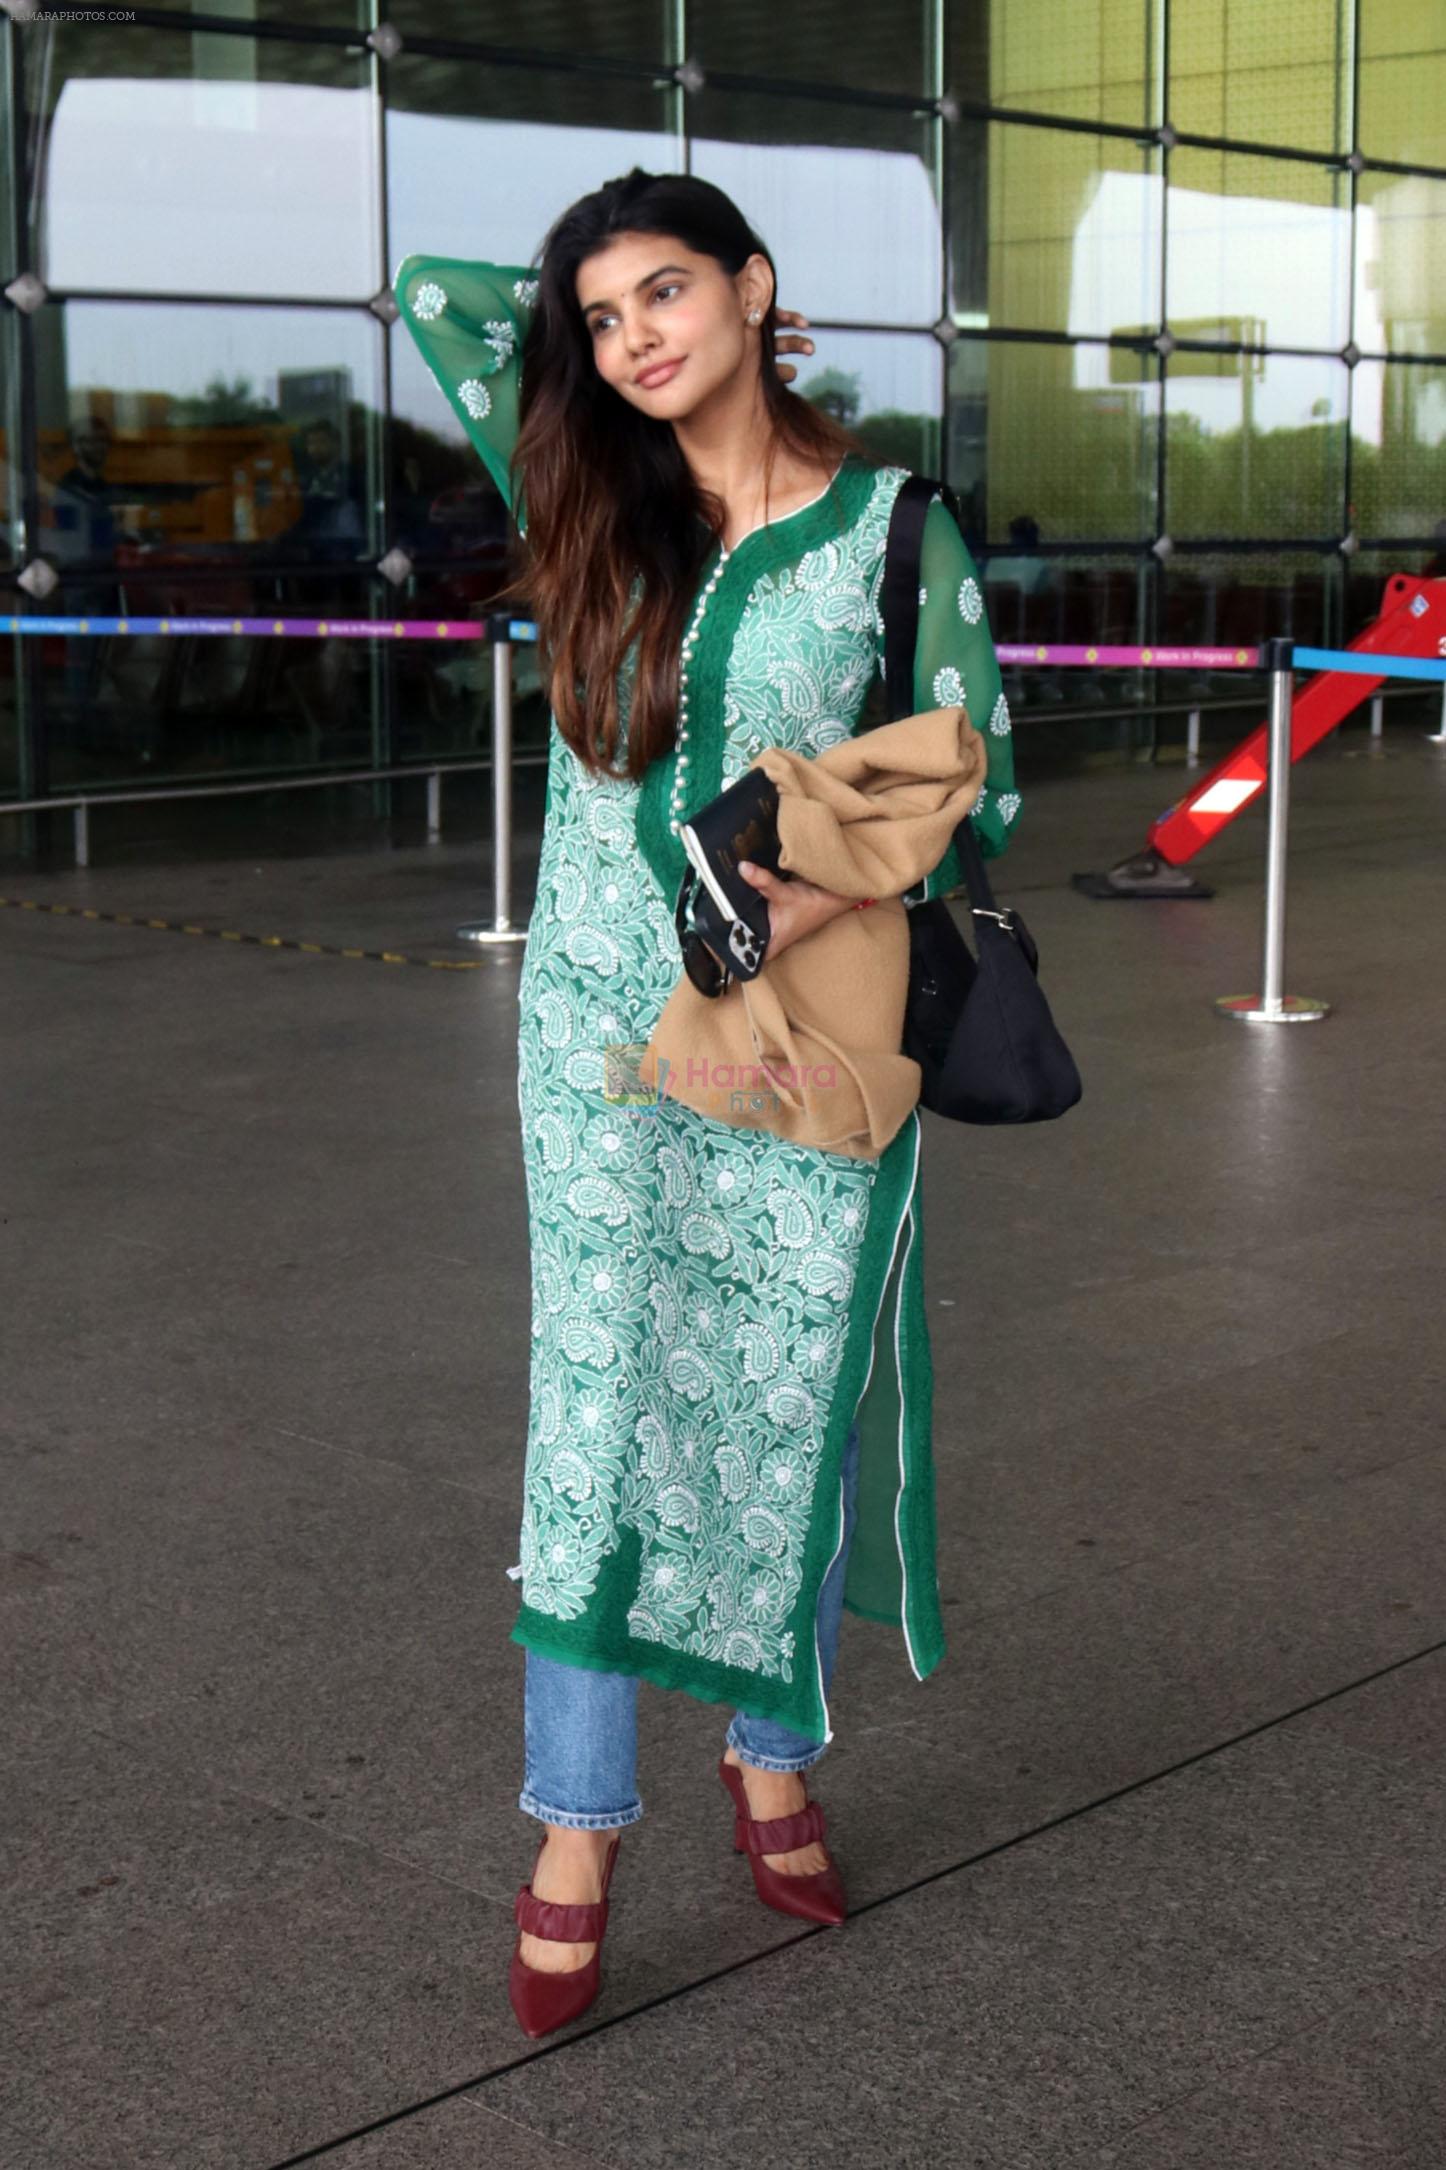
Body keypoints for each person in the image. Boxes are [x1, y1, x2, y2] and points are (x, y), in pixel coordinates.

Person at [394, 166, 1020, 2038]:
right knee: (591, 1411)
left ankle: (768, 1748)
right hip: (591, 1046)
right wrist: (570, 352)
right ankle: (575, 1834)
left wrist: (797, 890)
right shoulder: (592, 499)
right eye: (603, 315)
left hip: (795, 1045)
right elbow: (437, 292)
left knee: (784, 1403)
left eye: (669, 291)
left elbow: (979, 789)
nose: (637, 336)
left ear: (757, 289)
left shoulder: (893, 524)